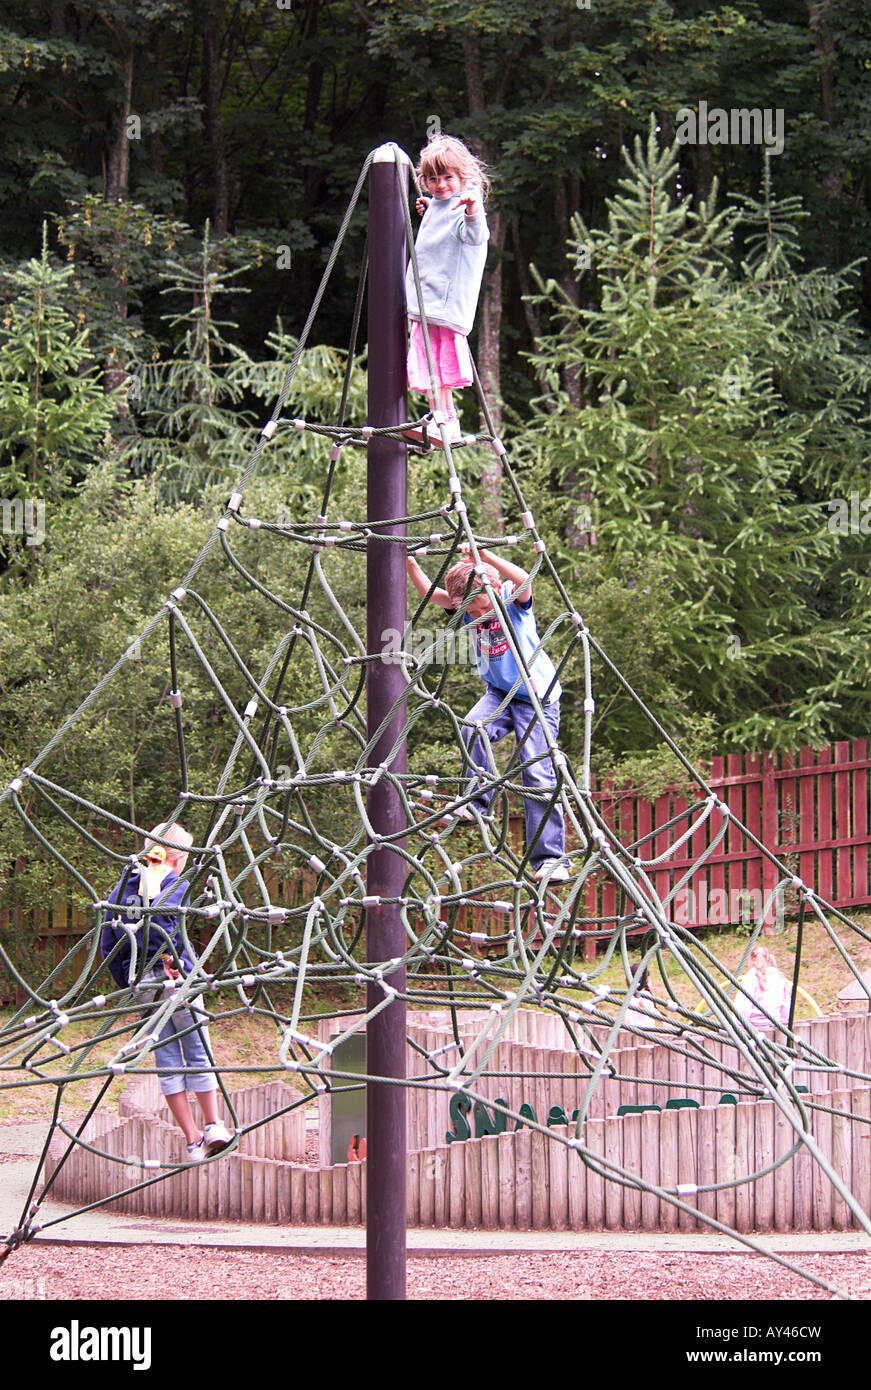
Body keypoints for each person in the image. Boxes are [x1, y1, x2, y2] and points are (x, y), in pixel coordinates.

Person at [406, 544, 570, 882]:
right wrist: (408, 563)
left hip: (537, 698)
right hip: (500, 694)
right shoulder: (468, 608)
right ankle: (476, 804)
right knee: (473, 727)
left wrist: (486, 558)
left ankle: (551, 859)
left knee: (537, 774)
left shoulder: (511, 602)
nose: (483, 613)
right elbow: (430, 593)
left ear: (495, 590)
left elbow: (525, 578)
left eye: (485, 605)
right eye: (474, 608)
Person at [100, 822, 234, 1162]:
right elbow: (165, 929)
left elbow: (108, 940)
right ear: (177, 859)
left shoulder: (123, 884)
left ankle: (191, 1142)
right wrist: (173, 961)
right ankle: (214, 1125)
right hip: (175, 977)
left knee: (168, 1060)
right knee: (198, 1049)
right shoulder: (175, 882)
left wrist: (128, 982)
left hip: (141, 983)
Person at [404, 133, 490, 444]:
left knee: (438, 365)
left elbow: (475, 235)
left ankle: (445, 421)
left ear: (463, 177)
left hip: (443, 305)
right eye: (432, 178)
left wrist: (472, 210)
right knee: (428, 365)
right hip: (427, 304)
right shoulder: (439, 206)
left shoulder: (464, 208)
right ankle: (438, 417)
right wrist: (430, 208)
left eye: (448, 178)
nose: (441, 185)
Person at [734, 944, 792, 1031]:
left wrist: (737, 1027)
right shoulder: (779, 977)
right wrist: (784, 1023)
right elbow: (786, 1006)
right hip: (774, 1026)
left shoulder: (752, 976)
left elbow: (742, 1007)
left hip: (754, 1028)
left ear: (751, 961)